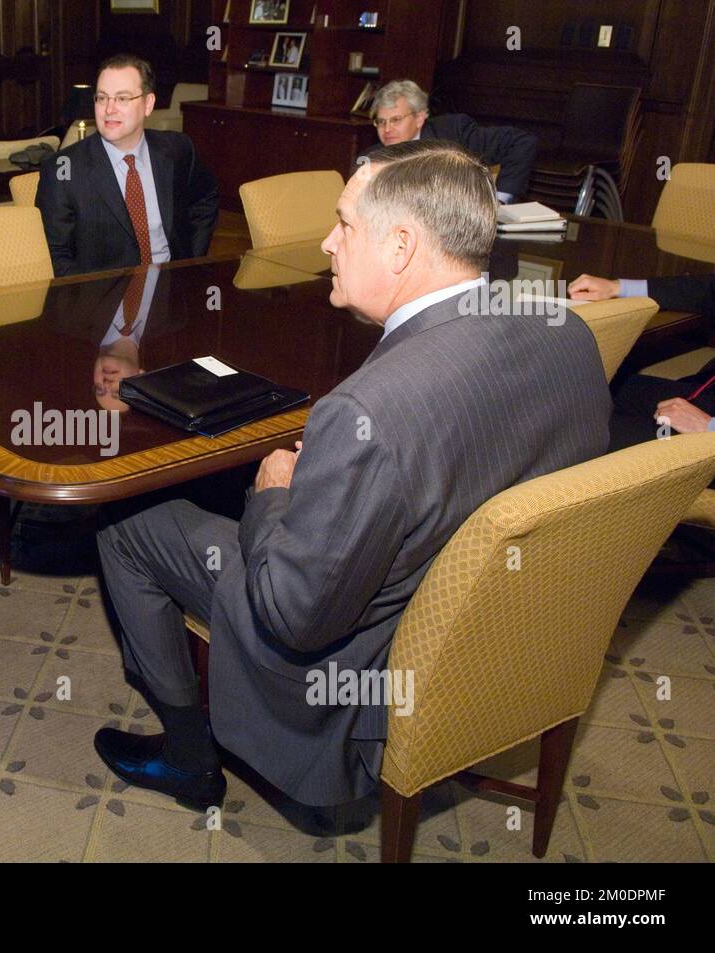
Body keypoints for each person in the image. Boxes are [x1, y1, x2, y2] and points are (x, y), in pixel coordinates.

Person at [93, 139, 611, 810]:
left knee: (125, 520)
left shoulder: (371, 409)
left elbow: (293, 614)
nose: (328, 243)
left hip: (364, 667)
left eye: (343, 223)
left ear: (400, 246)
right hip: (512, 634)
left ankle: (188, 756)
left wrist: (275, 494)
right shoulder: (568, 333)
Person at [36, 54, 218, 276]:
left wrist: (189, 262)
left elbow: (205, 199)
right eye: (102, 98)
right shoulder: (63, 170)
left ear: (148, 104)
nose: (109, 109)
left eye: (122, 98)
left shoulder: (177, 150)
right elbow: (55, 255)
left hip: (173, 293)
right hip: (103, 300)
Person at [570, 272, 715, 445]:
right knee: (586, 389)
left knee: (582, 434)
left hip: (704, 437)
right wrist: (616, 288)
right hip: (701, 393)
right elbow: (705, 291)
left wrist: (707, 427)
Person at [360, 79, 538, 203]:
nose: (387, 129)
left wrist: (499, 200)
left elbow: (521, 142)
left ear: (420, 118)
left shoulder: (453, 133)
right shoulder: (368, 160)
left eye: (396, 120)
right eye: (381, 122)